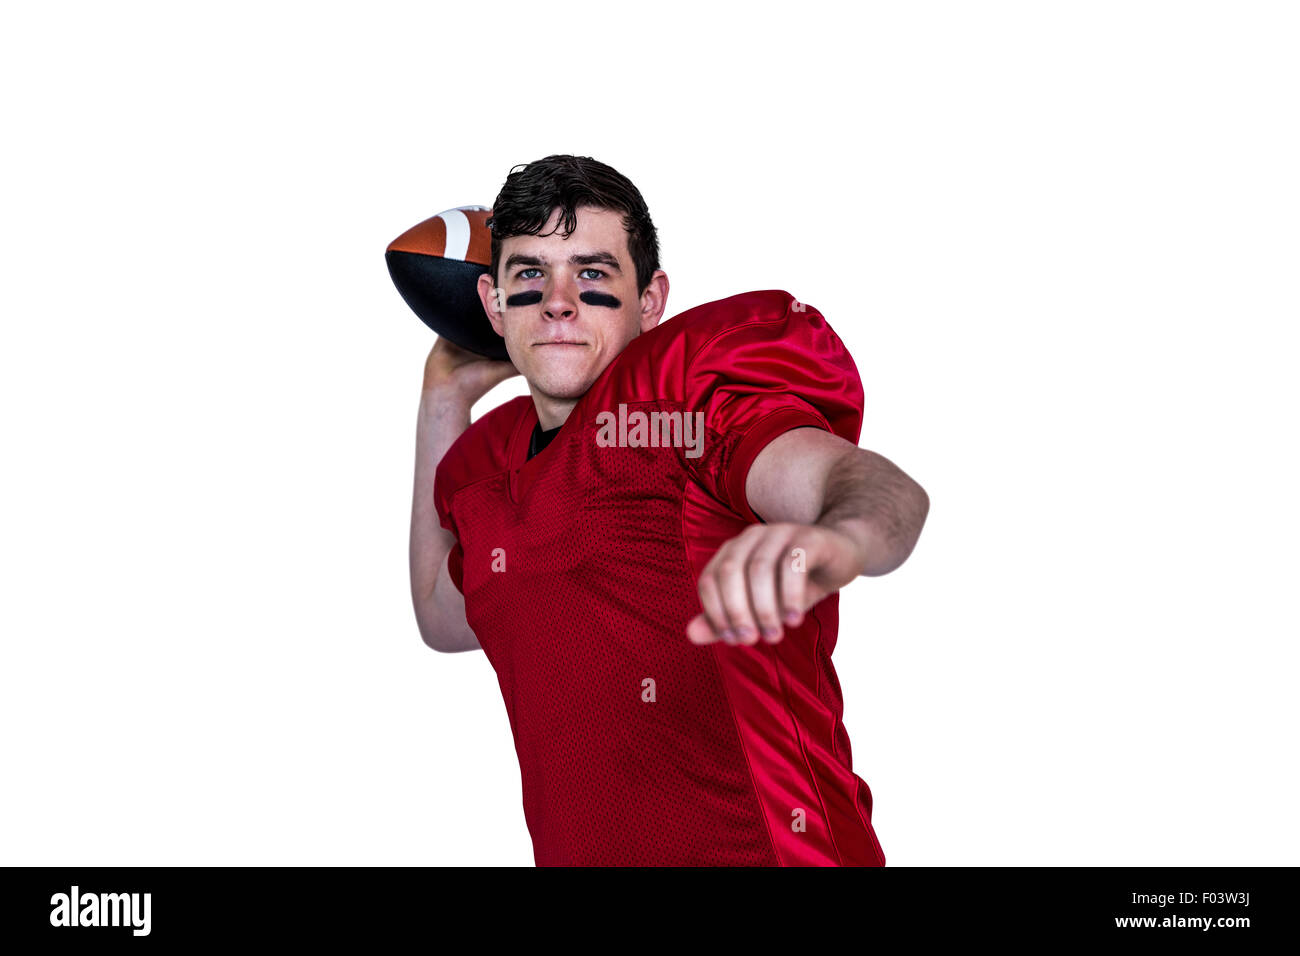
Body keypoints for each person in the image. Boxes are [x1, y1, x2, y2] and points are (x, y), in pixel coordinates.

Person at [408, 154, 929, 866]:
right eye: (530, 274)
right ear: (493, 304)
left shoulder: (681, 404)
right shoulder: (490, 461)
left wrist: (842, 539)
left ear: (650, 301)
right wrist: (444, 397)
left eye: (592, 274)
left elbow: (868, 484)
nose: (559, 300)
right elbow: (444, 615)